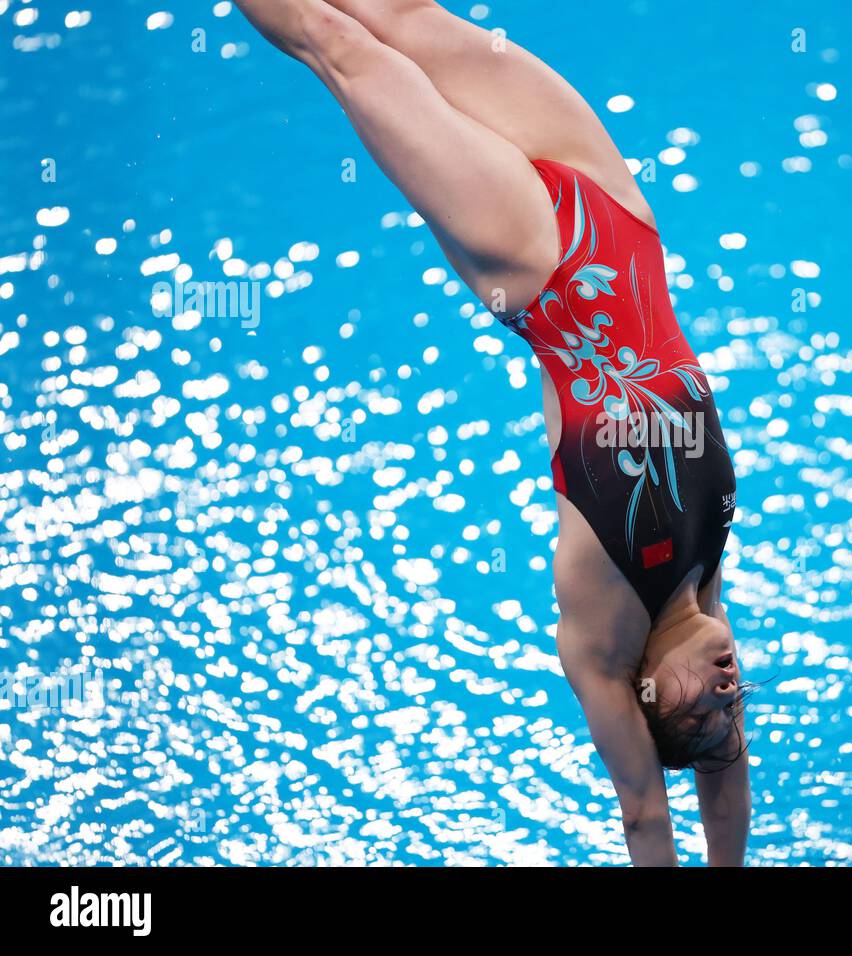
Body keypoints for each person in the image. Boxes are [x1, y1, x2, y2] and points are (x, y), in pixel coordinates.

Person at [232, 0, 751, 866]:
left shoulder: (601, 635)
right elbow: (725, 781)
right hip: (618, 211)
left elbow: (646, 816)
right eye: (731, 712)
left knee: (344, 49)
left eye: (698, 710)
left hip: (532, 256)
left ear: (647, 695)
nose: (728, 696)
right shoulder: (704, 584)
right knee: (399, 13)